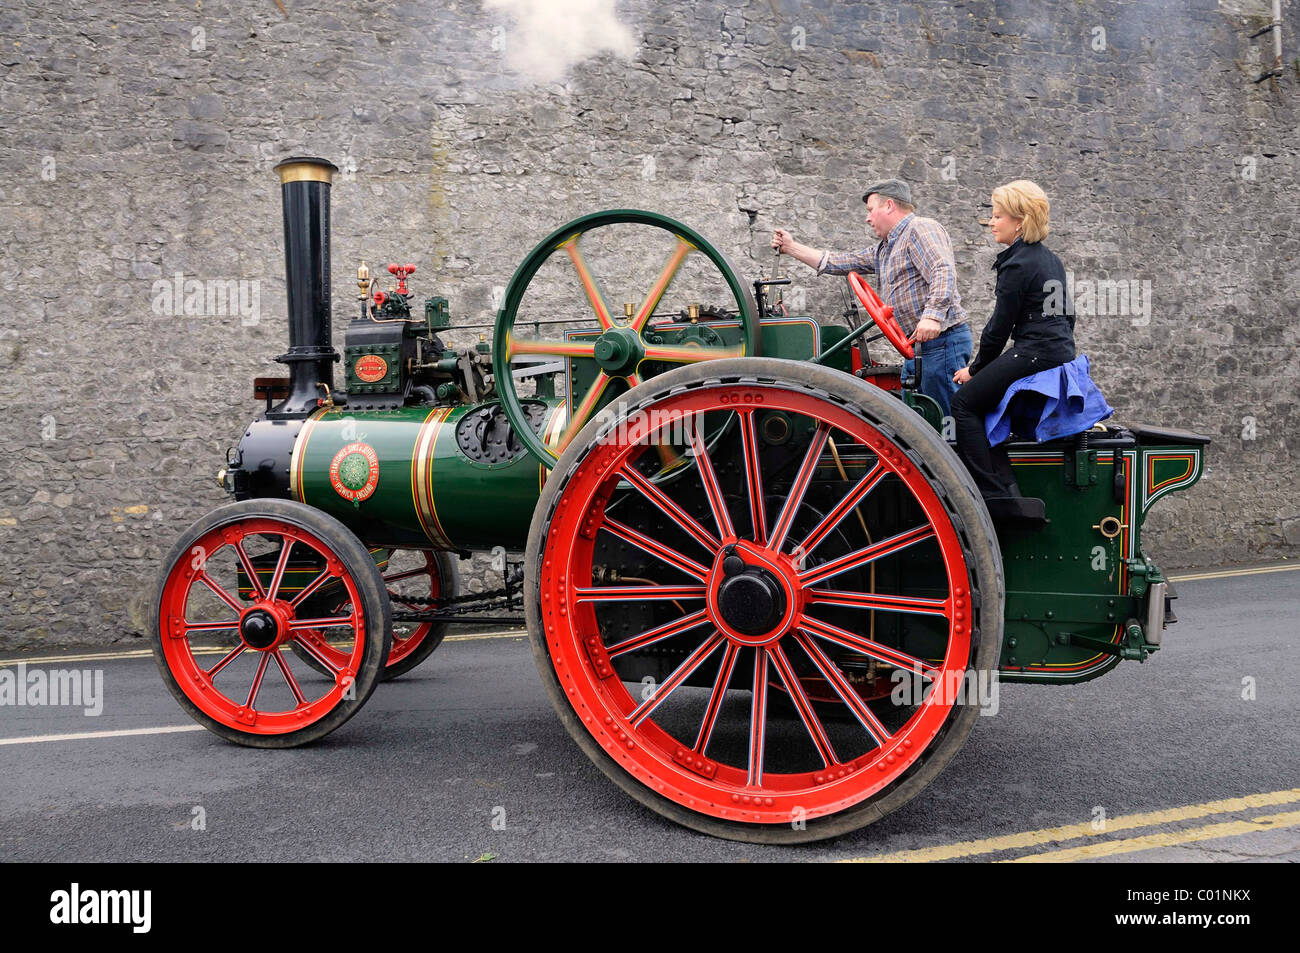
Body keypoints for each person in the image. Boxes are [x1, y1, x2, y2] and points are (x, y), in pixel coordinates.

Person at [772, 179, 972, 418]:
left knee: (945, 420)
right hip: (916, 349)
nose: (868, 219)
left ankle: (963, 456)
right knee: (922, 422)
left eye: (870, 210)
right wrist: (792, 248)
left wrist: (932, 316)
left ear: (889, 206)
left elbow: (942, 269)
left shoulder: (920, 229)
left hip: (941, 344)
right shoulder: (885, 248)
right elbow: (839, 262)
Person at [951, 180, 1076, 520]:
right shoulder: (1050, 260)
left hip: (1034, 350)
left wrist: (974, 370)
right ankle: (1006, 487)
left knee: (964, 403)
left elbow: (998, 327)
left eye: (998, 216)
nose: (992, 223)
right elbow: (1068, 315)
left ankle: (991, 497)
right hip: (1057, 349)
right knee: (987, 403)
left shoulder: (1017, 264)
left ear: (1019, 221)